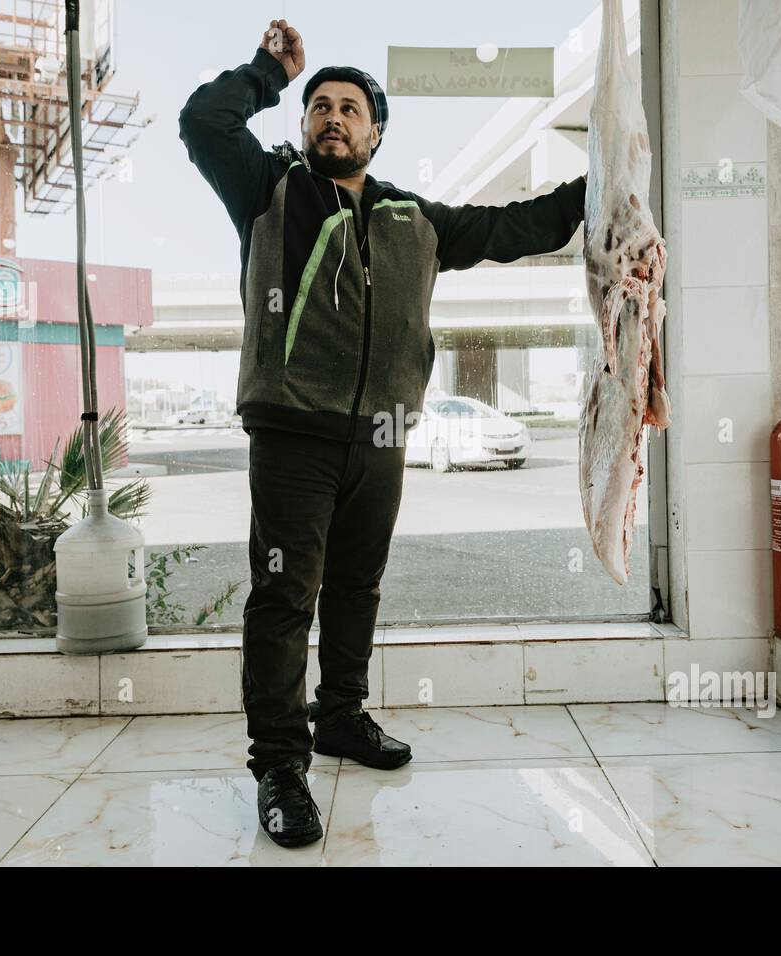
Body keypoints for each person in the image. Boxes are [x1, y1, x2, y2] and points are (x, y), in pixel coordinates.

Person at [179, 19, 587, 848]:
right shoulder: (268, 189)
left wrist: (604, 180)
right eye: (319, 107)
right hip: (292, 432)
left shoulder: (415, 218)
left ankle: (342, 720)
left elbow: (521, 227)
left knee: (357, 587)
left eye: (350, 108)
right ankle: (280, 767)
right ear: (302, 128)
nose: (333, 117)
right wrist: (267, 72)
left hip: (386, 434)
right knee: (285, 597)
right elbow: (201, 123)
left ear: (376, 131)